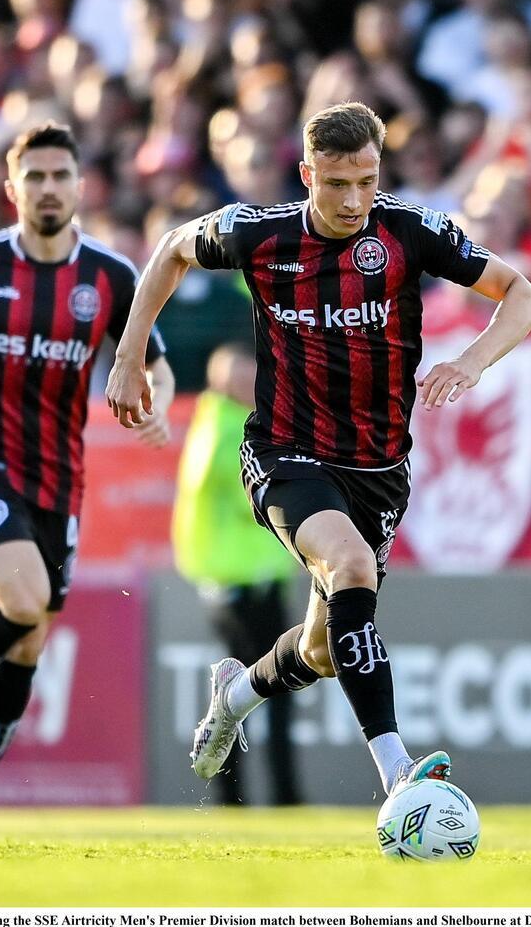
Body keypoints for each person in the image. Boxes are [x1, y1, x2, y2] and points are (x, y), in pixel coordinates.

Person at [106, 101, 531, 800]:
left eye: (367, 181)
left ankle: (237, 694)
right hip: (286, 450)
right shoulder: (260, 233)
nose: (353, 199)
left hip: (378, 470)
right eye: (337, 183)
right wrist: (129, 358)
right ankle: (398, 771)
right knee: (349, 562)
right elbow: (171, 251)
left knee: (323, 648)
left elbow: (522, 295)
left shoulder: (408, 231)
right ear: (308, 174)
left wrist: (472, 361)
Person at [0, 121, 176, 843]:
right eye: (33, 177)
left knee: (30, 641)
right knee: (24, 600)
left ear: (80, 185)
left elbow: (148, 360)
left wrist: (152, 396)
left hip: (59, 476)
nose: (48, 188)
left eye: (60, 175)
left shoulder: (108, 276)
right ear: (12, 189)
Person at [172, 343, 304, 809]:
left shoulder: (229, 426)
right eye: (239, 378)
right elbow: (253, 491)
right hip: (237, 585)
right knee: (250, 692)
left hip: (258, 579)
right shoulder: (226, 428)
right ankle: (247, 798)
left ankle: (257, 797)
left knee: (259, 691)